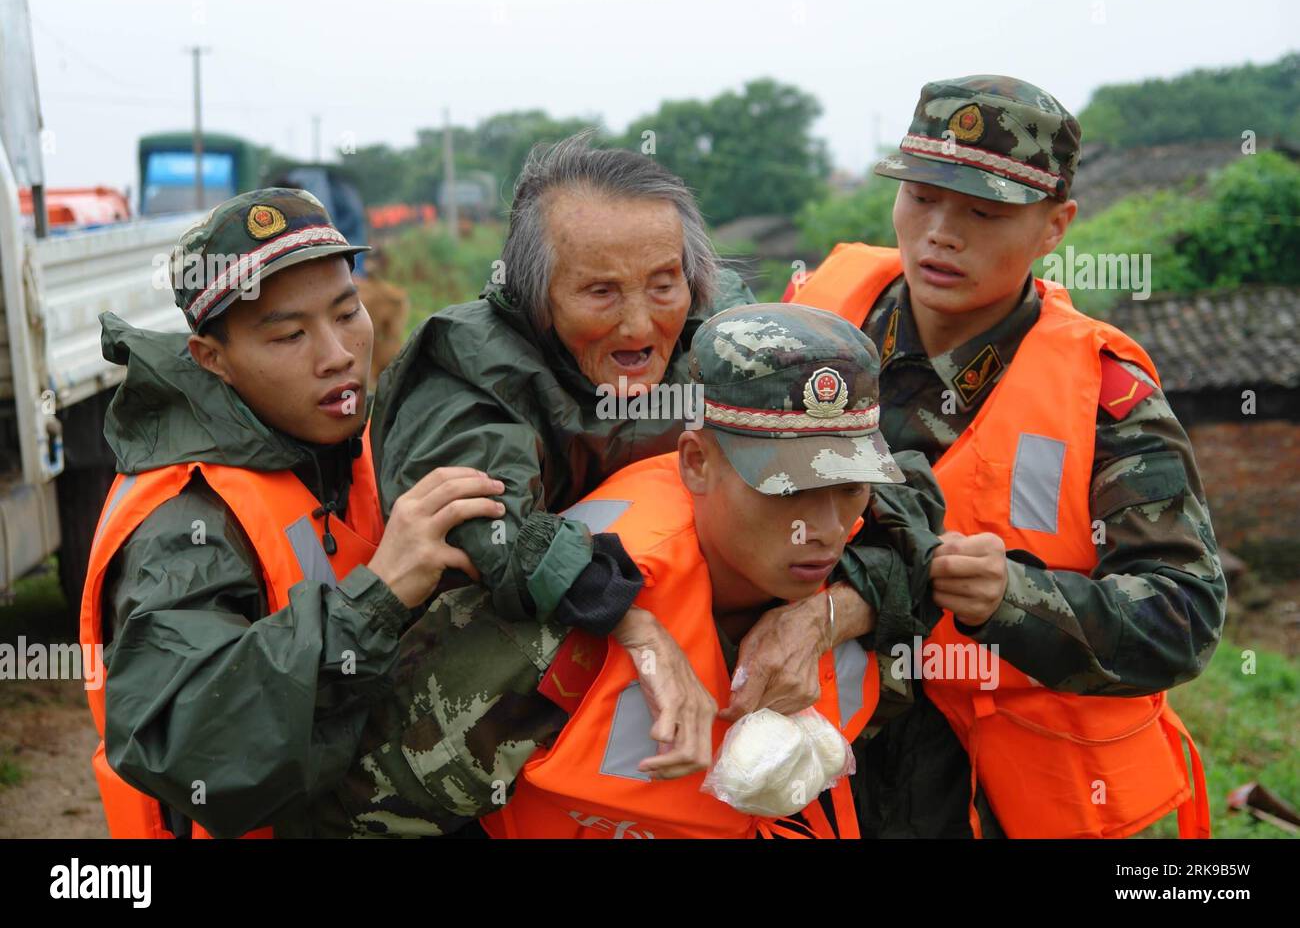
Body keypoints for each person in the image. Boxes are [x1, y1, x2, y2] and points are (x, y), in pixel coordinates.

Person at [354, 133, 944, 824]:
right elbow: (488, 528)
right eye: (600, 292)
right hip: (493, 697)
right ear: (532, 292)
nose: (639, 323)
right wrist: (638, 625)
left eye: (664, 284)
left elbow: (900, 489)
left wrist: (825, 614)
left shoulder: (723, 338)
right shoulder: (470, 369)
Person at [785, 75, 1225, 838]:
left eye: (983, 212)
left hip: (997, 798)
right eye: (920, 197)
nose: (939, 233)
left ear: (1056, 226)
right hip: (811, 770)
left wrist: (1013, 600)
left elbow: (1184, 618)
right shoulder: (809, 329)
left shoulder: (1103, 395)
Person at [79, 188, 504, 838]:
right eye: (289, 334)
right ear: (211, 359)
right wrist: (379, 600)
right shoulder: (186, 521)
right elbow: (186, 740)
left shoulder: (354, 444)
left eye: (347, 311)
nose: (336, 353)